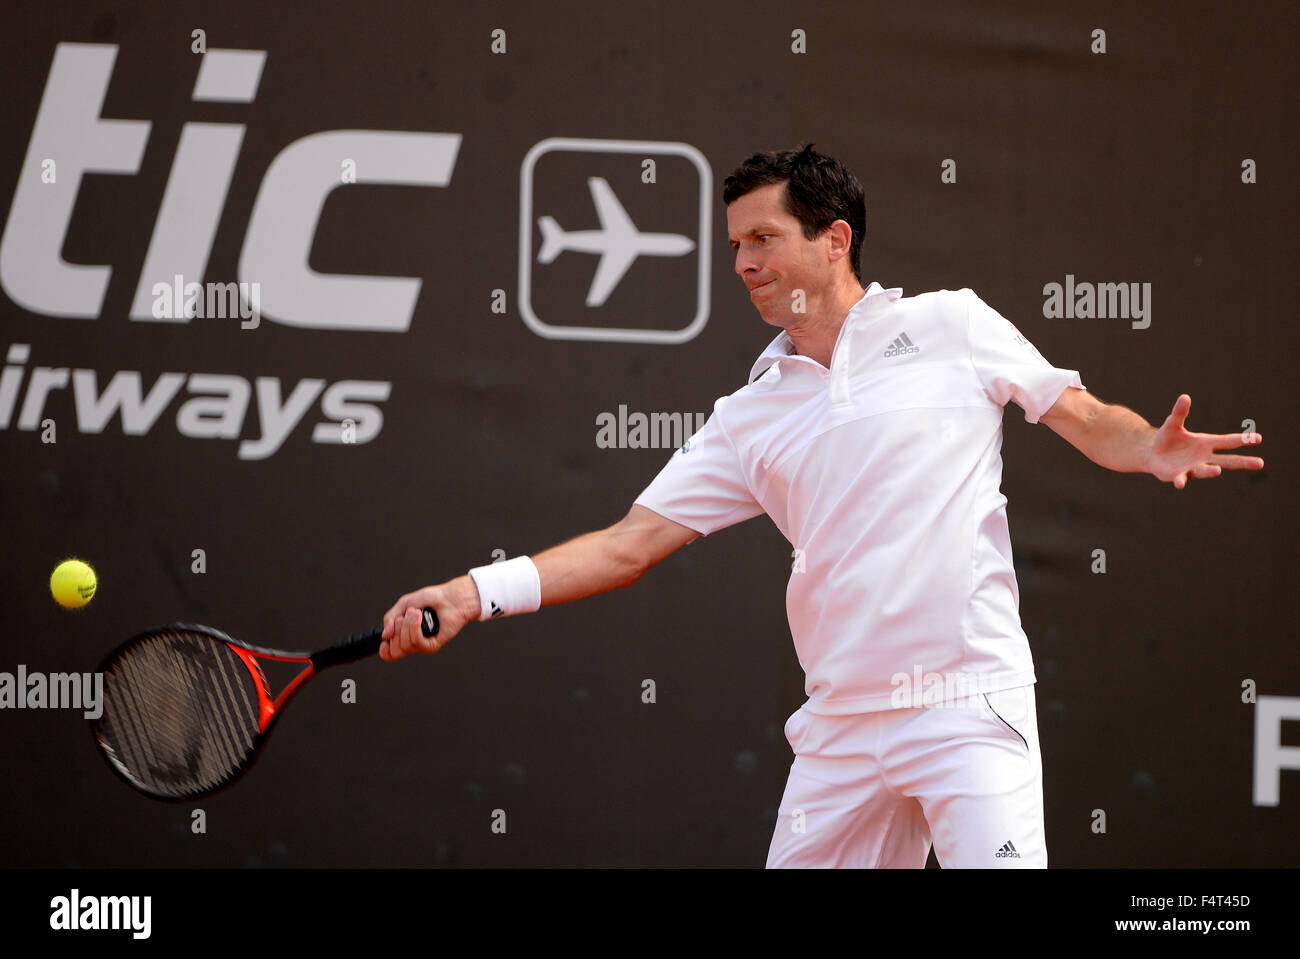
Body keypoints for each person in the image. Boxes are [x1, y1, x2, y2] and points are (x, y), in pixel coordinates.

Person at [380, 144, 1265, 868]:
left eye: (762, 238)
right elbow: (627, 546)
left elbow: (1082, 416)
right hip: (840, 729)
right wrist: (471, 591)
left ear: (834, 239)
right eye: (735, 246)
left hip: (967, 707)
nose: (744, 262)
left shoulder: (953, 325)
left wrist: (1146, 445)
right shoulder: (751, 411)